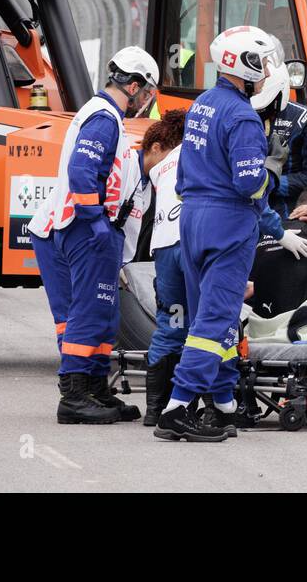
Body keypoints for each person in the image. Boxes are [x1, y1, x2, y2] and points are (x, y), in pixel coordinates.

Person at [154, 27, 307, 443]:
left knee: (205, 315)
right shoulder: (243, 116)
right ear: (244, 64)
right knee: (217, 318)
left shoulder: (202, 105)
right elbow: (249, 185)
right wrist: (269, 176)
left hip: (191, 219)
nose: (266, 71)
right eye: (261, 63)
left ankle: (223, 402)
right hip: (229, 222)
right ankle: (178, 407)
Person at [28, 46, 160, 425]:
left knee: (101, 313)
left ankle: (95, 388)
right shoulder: (104, 118)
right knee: (87, 312)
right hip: (81, 226)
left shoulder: (106, 117)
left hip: (79, 225)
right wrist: (95, 219)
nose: (147, 101)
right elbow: (83, 170)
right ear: (133, 86)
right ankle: (74, 395)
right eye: (147, 91)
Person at [139, 110, 190, 426]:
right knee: (206, 323)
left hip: (164, 246)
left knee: (170, 324)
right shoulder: (202, 150)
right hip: (194, 242)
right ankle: (211, 406)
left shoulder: (161, 168)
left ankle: (155, 411)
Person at [265, 93, 307, 218]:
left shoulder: (305, 117)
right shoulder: (236, 109)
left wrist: (268, 183)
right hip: (239, 207)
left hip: (283, 210)